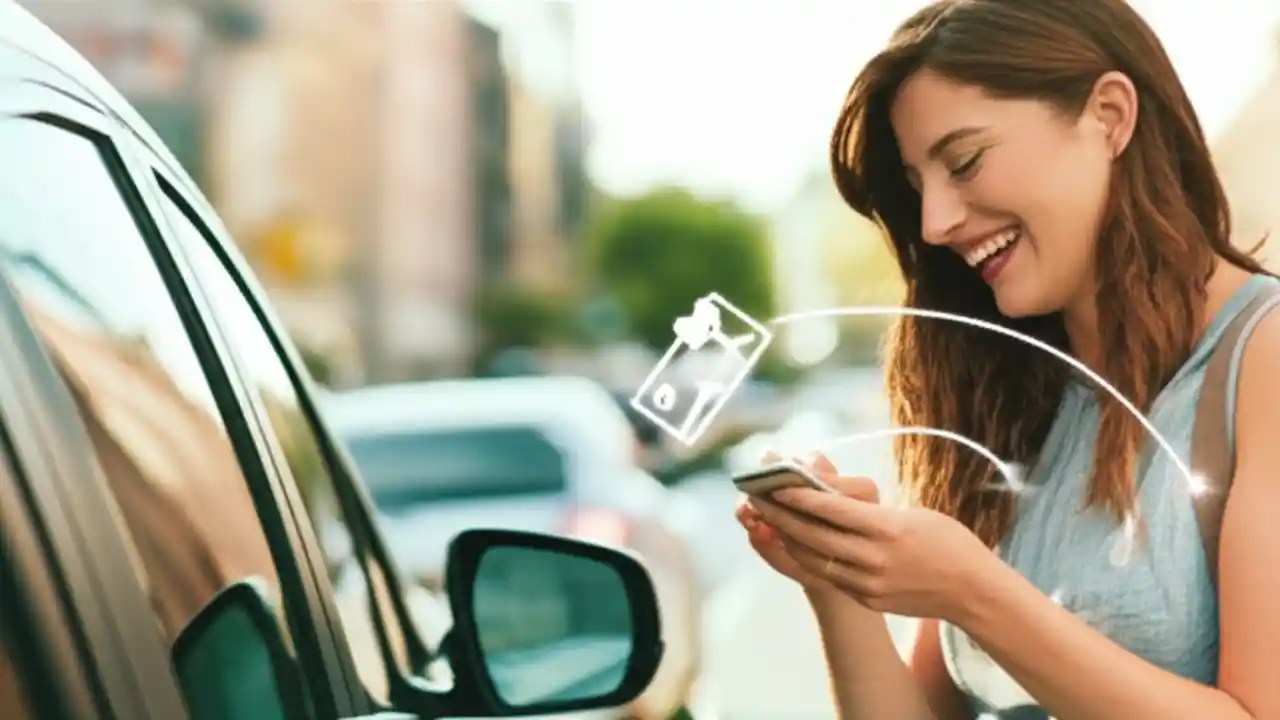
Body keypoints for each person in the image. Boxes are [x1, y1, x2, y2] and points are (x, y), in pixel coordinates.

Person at [735, 1, 1280, 718]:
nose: (934, 223)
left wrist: (973, 590)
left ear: (1110, 117)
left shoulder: (1260, 358)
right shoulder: (1013, 394)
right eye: (918, 187)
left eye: (963, 162)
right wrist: (839, 585)